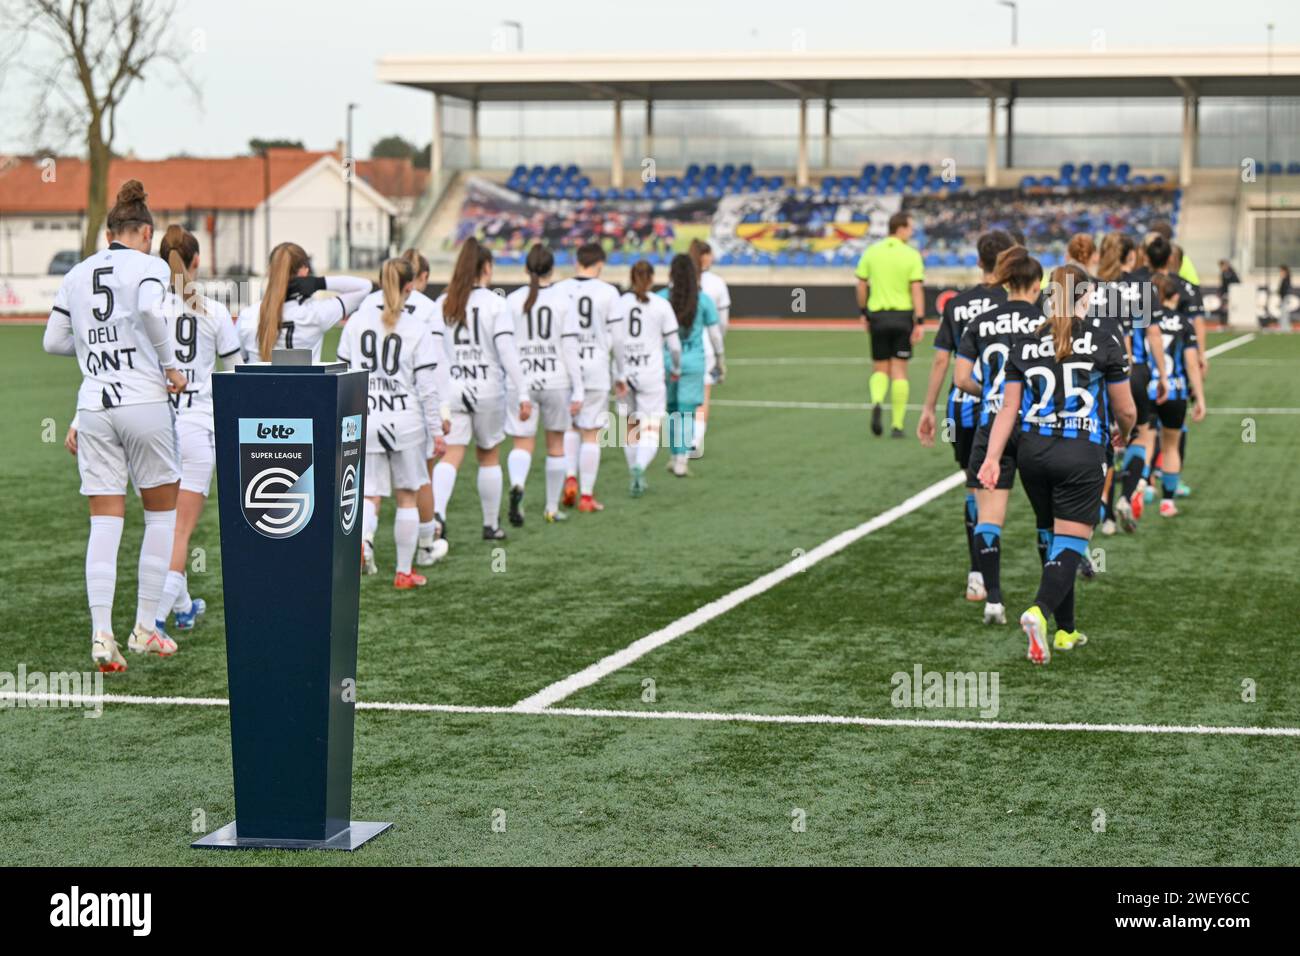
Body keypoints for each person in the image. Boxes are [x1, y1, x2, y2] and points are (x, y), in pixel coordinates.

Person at [43, 179, 188, 670]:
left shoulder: (78, 273)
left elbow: (53, 342)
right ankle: (145, 628)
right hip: (143, 401)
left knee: (104, 521)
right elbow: (148, 309)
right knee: (161, 515)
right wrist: (170, 365)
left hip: (94, 408)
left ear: (110, 233)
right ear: (144, 232)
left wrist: (93, 350)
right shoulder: (149, 266)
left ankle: (102, 635)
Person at [979, 264, 1137, 665]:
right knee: (1071, 543)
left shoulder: (1024, 341)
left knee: (1051, 536)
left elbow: (1008, 408)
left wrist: (993, 457)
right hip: (1080, 452)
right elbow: (1126, 408)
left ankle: (1066, 631)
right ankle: (1039, 612)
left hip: (1033, 452)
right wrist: (1125, 432)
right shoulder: (1104, 340)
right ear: (1086, 297)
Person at [152, 225, 243, 633]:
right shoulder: (214, 312)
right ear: (197, 262)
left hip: (153, 426)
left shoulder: (149, 310)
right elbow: (235, 377)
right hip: (196, 426)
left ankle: (183, 607)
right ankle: (150, 622)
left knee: (163, 527)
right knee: (179, 532)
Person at [918, 229, 1014, 603]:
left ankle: (977, 575)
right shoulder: (1017, 301)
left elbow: (942, 358)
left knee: (975, 487)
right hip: (1011, 409)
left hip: (964, 408)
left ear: (978, 261)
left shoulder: (957, 305)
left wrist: (928, 407)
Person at [338, 258, 446, 587]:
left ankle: (362, 542)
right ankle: (403, 572)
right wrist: (438, 431)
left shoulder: (357, 321)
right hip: (406, 421)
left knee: (369, 494)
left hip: (367, 418)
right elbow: (428, 390)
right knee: (407, 496)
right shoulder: (417, 328)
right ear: (410, 287)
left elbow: (342, 374)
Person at [953, 245, 1044, 626]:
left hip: (992, 423)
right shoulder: (1046, 322)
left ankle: (993, 599)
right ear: (1037, 285)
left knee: (989, 516)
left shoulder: (981, 322)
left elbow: (960, 379)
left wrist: (992, 391)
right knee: (1049, 517)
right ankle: (1048, 601)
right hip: (1040, 425)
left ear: (1005, 281)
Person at [429, 238, 530, 540]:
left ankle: (438, 516)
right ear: (486, 268)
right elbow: (507, 353)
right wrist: (523, 392)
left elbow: (435, 358)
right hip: (487, 388)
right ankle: (490, 525)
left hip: (453, 389)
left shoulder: (442, 303)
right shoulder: (497, 304)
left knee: (451, 456)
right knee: (488, 457)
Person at [504, 244, 584, 525]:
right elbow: (571, 349)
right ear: (553, 270)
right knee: (556, 445)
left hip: (521, 380)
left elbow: (506, 348)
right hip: (556, 379)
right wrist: (579, 388)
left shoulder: (512, 301)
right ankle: (551, 508)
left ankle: (517, 484)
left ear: (526, 269)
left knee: (522, 442)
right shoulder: (564, 301)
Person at [552, 242, 620, 512]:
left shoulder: (558, 289)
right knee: (591, 433)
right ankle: (587, 496)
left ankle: (570, 476)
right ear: (600, 264)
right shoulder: (609, 292)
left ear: (577, 261)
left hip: (564, 366)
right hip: (595, 366)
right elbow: (616, 335)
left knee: (569, 426)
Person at [611, 260, 682, 496]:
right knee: (651, 427)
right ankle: (640, 467)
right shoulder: (661, 305)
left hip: (622, 373)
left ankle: (634, 473)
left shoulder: (618, 304)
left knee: (630, 427)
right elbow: (674, 347)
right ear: (651, 279)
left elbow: (612, 340)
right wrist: (677, 368)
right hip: (650, 373)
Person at [854, 212, 926, 437]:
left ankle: (877, 401)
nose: (912, 231)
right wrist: (920, 320)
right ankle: (897, 425)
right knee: (900, 370)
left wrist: (864, 311)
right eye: (910, 227)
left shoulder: (872, 252)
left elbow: (861, 284)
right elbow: (916, 288)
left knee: (879, 367)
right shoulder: (911, 255)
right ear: (901, 228)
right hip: (902, 316)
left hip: (878, 315)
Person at [236, 243, 370, 362]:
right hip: (306, 390)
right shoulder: (315, 314)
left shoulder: (248, 315)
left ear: (270, 271)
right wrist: (318, 282)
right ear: (304, 271)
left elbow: (237, 363)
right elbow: (365, 287)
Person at [658, 254, 724, 477]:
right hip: (694, 360)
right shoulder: (703, 300)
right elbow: (715, 335)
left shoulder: (661, 298)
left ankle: (674, 455)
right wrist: (720, 360)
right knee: (687, 411)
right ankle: (682, 459)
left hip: (667, 360)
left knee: (672, 410)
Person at [1146, 274, 1207, 517]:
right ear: (1175, 296)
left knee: (1145, 440)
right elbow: (1192, 364)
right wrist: (1200, 397)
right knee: (1170, 446)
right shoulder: (1184, 323)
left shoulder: (1144, 320)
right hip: (1175, 390)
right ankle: (1167, 502)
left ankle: (1144, 485)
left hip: (1148, 387)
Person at [689, 239, 731, 459]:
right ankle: (695, 443)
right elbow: (721, 323)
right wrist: (719, 350)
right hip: (704, 344)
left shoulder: (678, 282)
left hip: (680, 343)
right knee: (703, 394)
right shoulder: (716, 283)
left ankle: (680, 443)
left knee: (680, 395)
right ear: (706, 256)